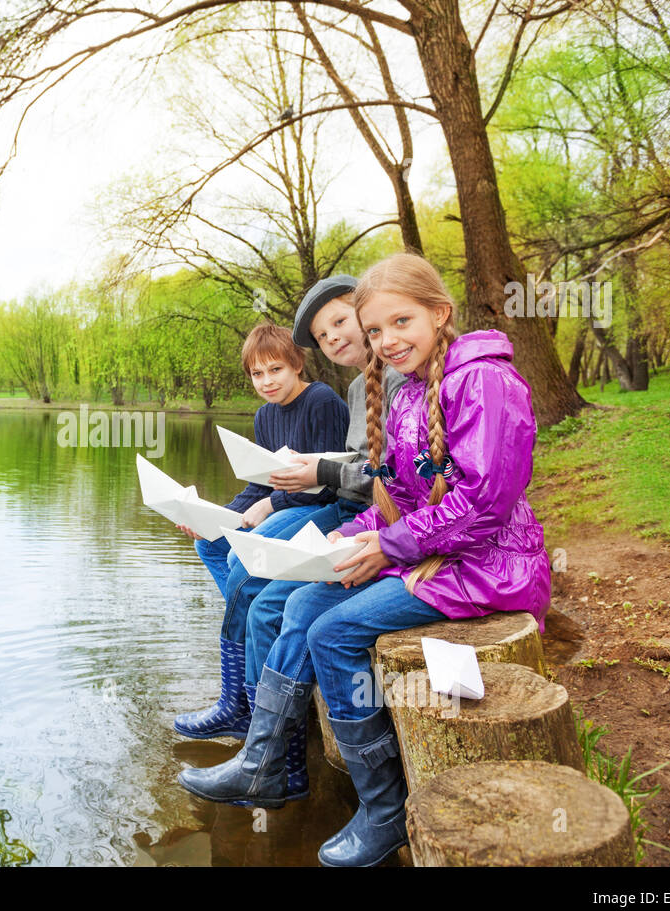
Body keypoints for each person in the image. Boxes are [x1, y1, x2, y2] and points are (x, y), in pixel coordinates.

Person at [177, 253, 551, 867]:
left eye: (400, 322)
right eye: (376, 331)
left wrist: (388, 546)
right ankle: (266, 764)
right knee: (300, 601)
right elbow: (394, 497)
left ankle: (383, 810)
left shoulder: (484, 380)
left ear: (439, 312)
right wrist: (348, 537)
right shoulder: (404, 391)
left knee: (333, 632)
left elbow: (484, 502)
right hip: (425, 551)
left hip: (486, 563)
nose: (387, 341)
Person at [172, 276, 403, 803]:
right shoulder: (354, 387)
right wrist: (215, 513)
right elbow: (279, 477)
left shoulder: (332, 396)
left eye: (342, 323)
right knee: (215, 545)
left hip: (337, 513)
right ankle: (255, 727)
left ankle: (267, 745)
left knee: (257, 581)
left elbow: (342, 480)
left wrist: (273, 503)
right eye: (325, 334)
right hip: (350, 513)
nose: (336, 338)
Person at [177, 322, 349, 596]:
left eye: (275, 369)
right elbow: (260, 485)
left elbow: (333, 483)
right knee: (209, 544)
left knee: (242, 556)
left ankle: (249, 626)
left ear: (297, 364)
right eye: (257, 374)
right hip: (285, 505)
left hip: (325, 507)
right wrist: (212, 519)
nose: (266, 381)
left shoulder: (320, 400)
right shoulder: (264, 416)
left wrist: (270, 504)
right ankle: (247, 623)